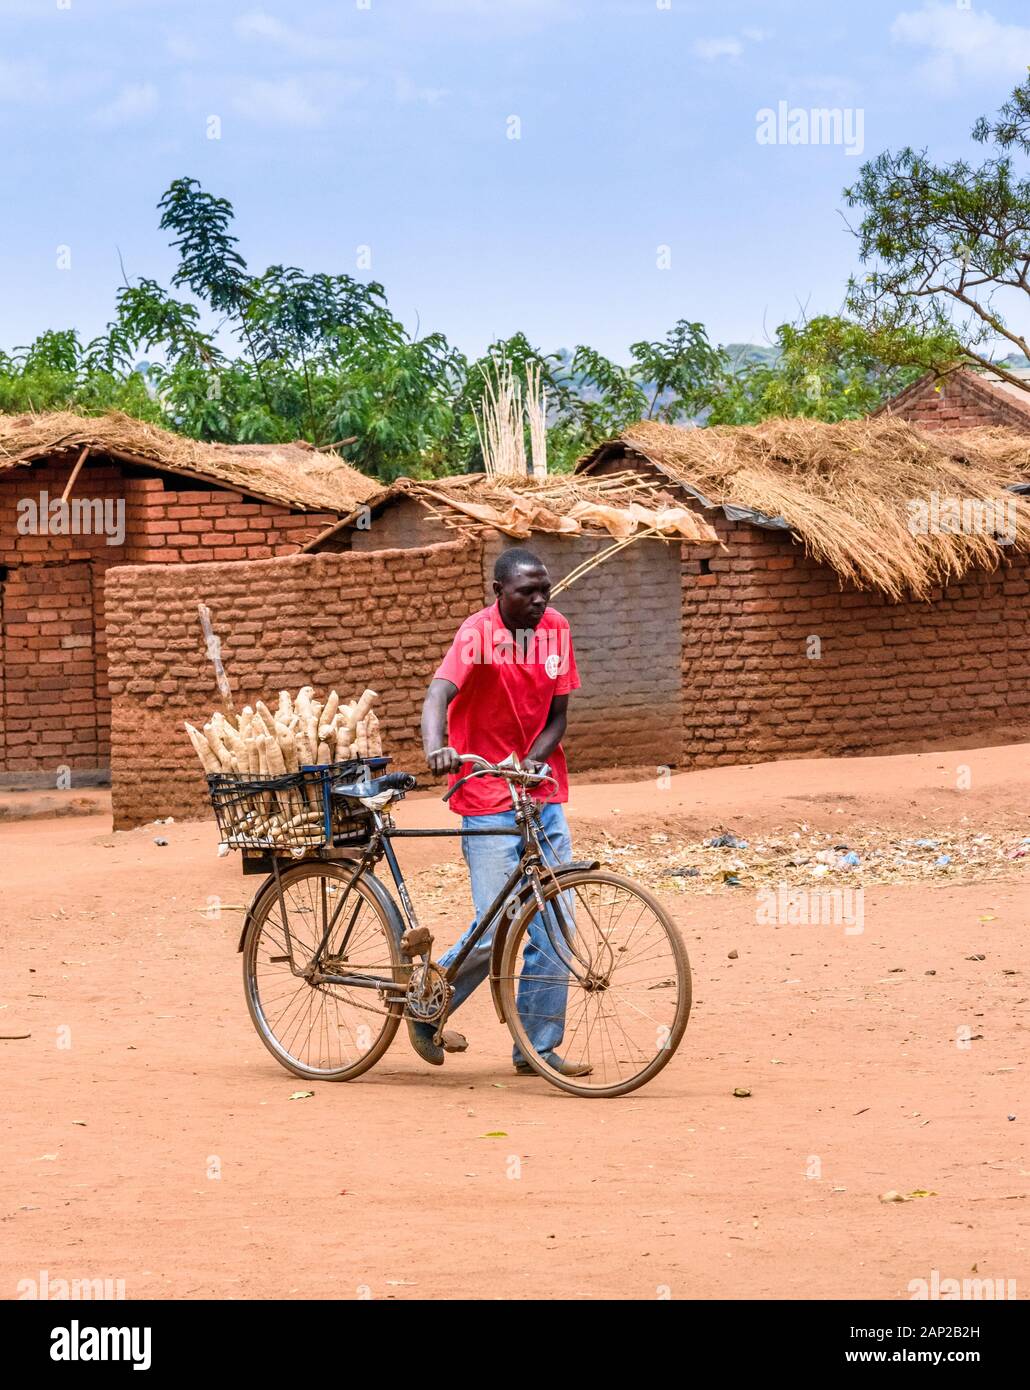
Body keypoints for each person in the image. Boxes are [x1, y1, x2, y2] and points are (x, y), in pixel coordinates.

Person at [416, 547, 591, 1076]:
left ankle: (536, 1048)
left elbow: (558, 716)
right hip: (485, 794)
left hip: (539, 791)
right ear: (499, 593)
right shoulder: (477, 634)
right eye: (526, 593)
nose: (539, 600)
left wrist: (530, 762)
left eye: (545, 590)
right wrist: (436, 745)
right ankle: (428, 1000)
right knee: (497, 926)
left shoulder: (556, 628)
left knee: (556, 922)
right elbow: (438, 693)